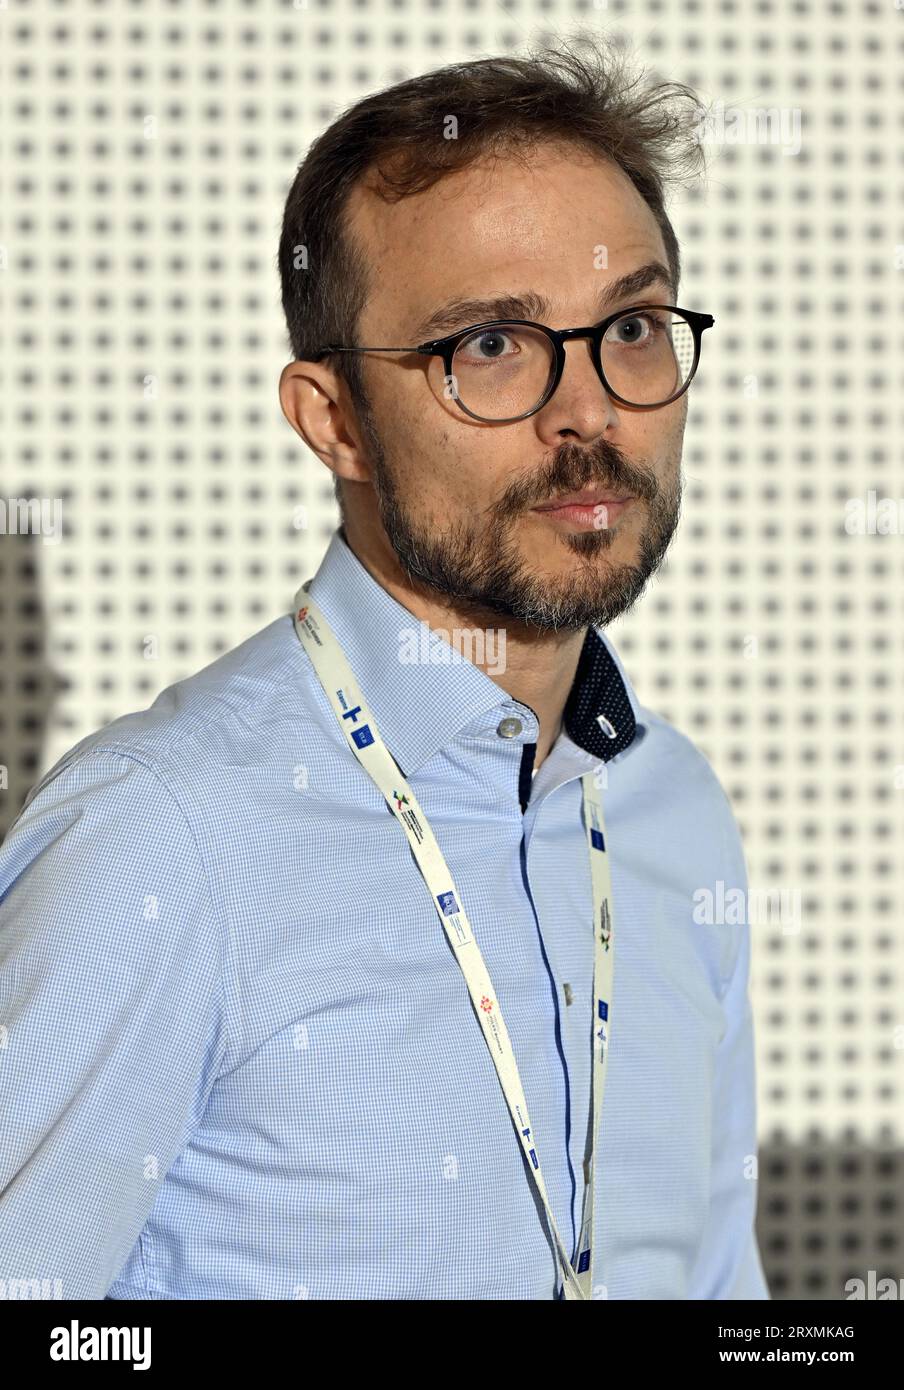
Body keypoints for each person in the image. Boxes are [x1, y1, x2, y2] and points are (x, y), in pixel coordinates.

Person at [0, 37, 769, 1299]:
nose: (587, 413)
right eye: (488, 348)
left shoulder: (672, 807)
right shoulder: (163, 836)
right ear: (335, 421)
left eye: (628, 326)